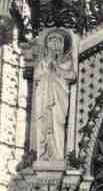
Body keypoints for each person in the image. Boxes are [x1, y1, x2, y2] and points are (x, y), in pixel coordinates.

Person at [33, 30, 77, 162]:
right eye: (51, 40)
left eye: (59, 40)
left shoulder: (67, 62)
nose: (55, 43)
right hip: (44, 96)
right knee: (43, 123)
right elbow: (36, 76)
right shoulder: (43, 62)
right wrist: (48, 65)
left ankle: (57, 156)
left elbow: (72, 75)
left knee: (58, 123)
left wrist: (57, 68)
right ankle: (44, 154)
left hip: (59, 97)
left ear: (64, 45)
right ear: (46, 44)